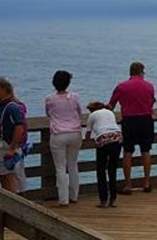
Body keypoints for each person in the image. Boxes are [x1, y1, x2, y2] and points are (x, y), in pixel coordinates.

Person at [109, 61, 156, 194]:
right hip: (146, 120)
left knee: (128, 152)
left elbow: (111, 105)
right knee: (146, 151)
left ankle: (128, 185)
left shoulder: (122, 86)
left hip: (129, 121)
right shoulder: (149, 86)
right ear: (141, 72)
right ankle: (146, 183)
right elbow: (152, 102)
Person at [44, 70, 83, 206]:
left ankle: (63, 199)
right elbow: (79, 112)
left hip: (58, 134)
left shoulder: (50, 98)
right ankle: (74, 196)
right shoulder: (75, 97)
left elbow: (48, 113)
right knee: (73, 164)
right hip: (75, 133)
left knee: (60, 168)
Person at [0, 77, 29, 194]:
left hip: (7, 146)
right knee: (4, 176)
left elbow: (19, 126)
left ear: (4, 90)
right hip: (2, 144)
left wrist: (11, 148)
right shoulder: (1, 106)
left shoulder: (12, 107)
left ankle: (12, 207)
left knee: (9, 178)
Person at [85, 101, 123, 208]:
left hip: (103, 139)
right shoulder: (110, 112)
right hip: (117, 137)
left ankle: (103, 200)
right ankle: (113, 199)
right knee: (112, 169)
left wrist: (89, 142)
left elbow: (88, 133)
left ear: (91, 109)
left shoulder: (92, 115)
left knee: (101, 170)